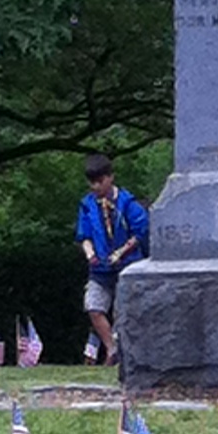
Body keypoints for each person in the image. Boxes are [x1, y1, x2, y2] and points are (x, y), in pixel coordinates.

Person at [75, 155, 149, 364]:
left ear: (110, 178)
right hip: (100, 269)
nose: (96, 186)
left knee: (122, 311)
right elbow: (84, 235)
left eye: (100, 181)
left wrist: (121, 252)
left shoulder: (128, 203)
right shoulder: (87, 205)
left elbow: (140, 232)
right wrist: (90, 255)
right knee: (93, 306)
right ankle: (111, 348)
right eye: (92, 182)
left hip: (127, 266)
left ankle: (126, 353)